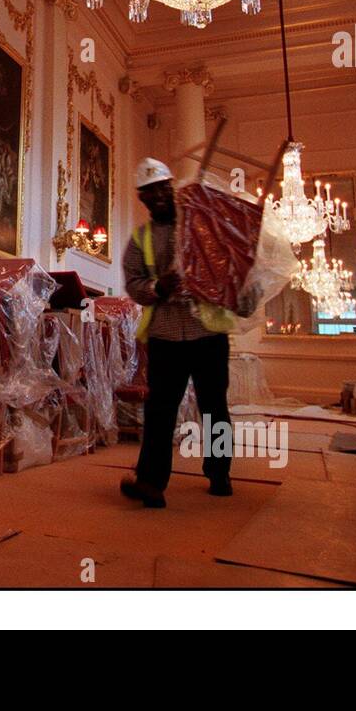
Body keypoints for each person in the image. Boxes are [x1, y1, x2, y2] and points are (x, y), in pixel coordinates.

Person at [119, 157, 232, 508]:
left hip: (207, 331)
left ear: (172, 188)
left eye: (163, 189)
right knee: (160, 410)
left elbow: (224, 267)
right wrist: (158, 287)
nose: (159, 197)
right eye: (150, 193)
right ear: (143, 199)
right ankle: (151, 482)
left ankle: (219, 473)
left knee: (214, 406)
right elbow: (135, 286)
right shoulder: (140, 240)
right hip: (166, 335)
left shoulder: (199, 227)